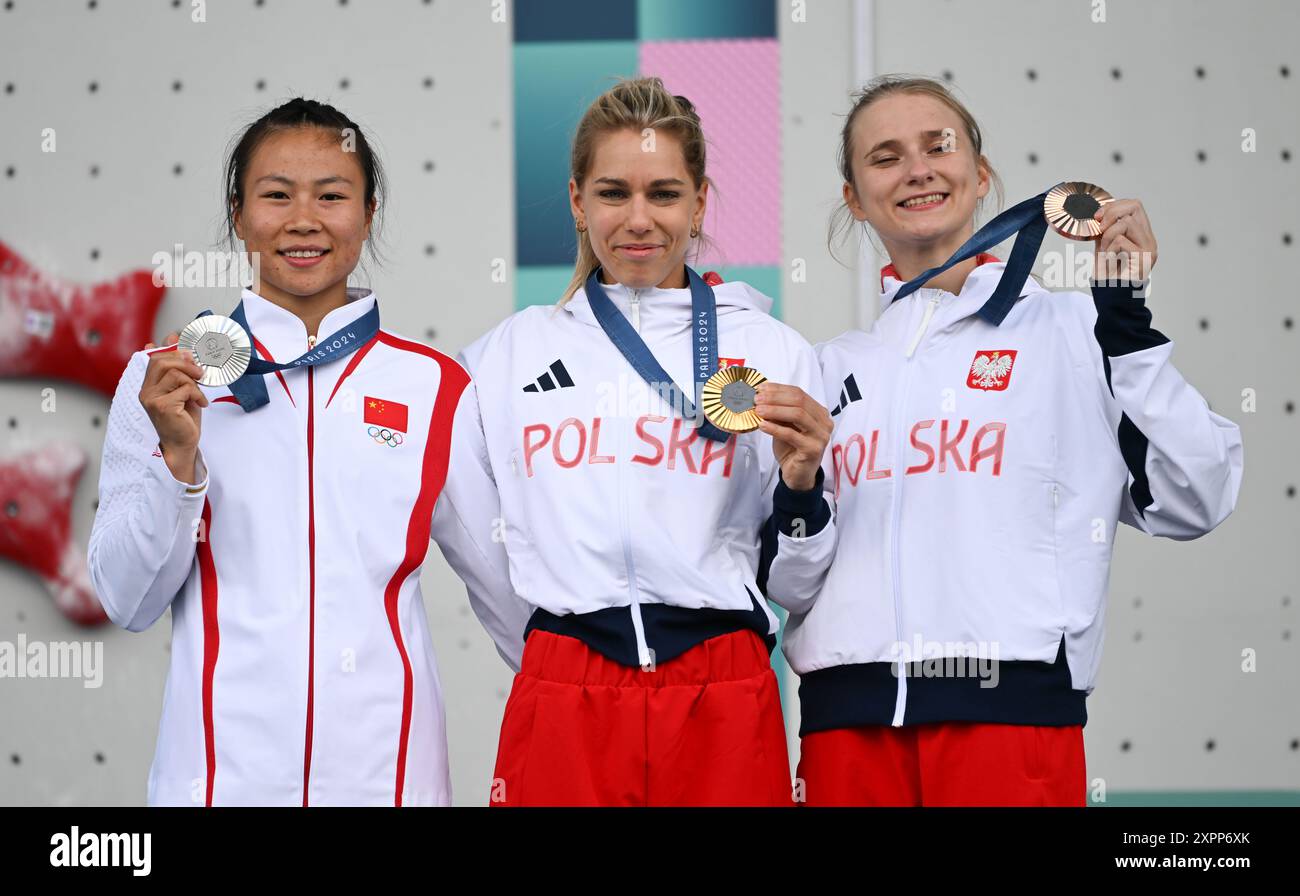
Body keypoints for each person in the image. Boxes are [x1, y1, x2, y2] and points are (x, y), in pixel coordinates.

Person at [782, 75, 1244, 806]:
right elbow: (790, 583)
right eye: (885, 156)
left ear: (981, 173)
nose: (918, 169)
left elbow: (1200, 493)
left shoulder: (1075, 334)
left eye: (939, 146)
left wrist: (1126, 325)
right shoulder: (829, 367)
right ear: (854, 197)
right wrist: (798, 491)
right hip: (847, 731)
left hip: (1010, 713)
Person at [87, 98, 529, 807]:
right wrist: (177, 465)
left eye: (332, 195)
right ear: (237, 215)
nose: (303, 220)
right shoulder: (165, 379)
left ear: (369, 212)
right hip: (214, 783)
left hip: (389, 781)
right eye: (275, 195)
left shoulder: (435, 388)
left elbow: (516, 608)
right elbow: (125, 598)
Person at [460, 77, 836, 806]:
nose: (638, 219)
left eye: (664, 194)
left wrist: (802, 489)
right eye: (612, 193)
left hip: (723, 687)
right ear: (576, 201)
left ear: (699, 203)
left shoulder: (774, 350)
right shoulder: (505, 356)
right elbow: (481, 547)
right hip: (565, 687)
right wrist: (555, 651)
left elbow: (797, 585)